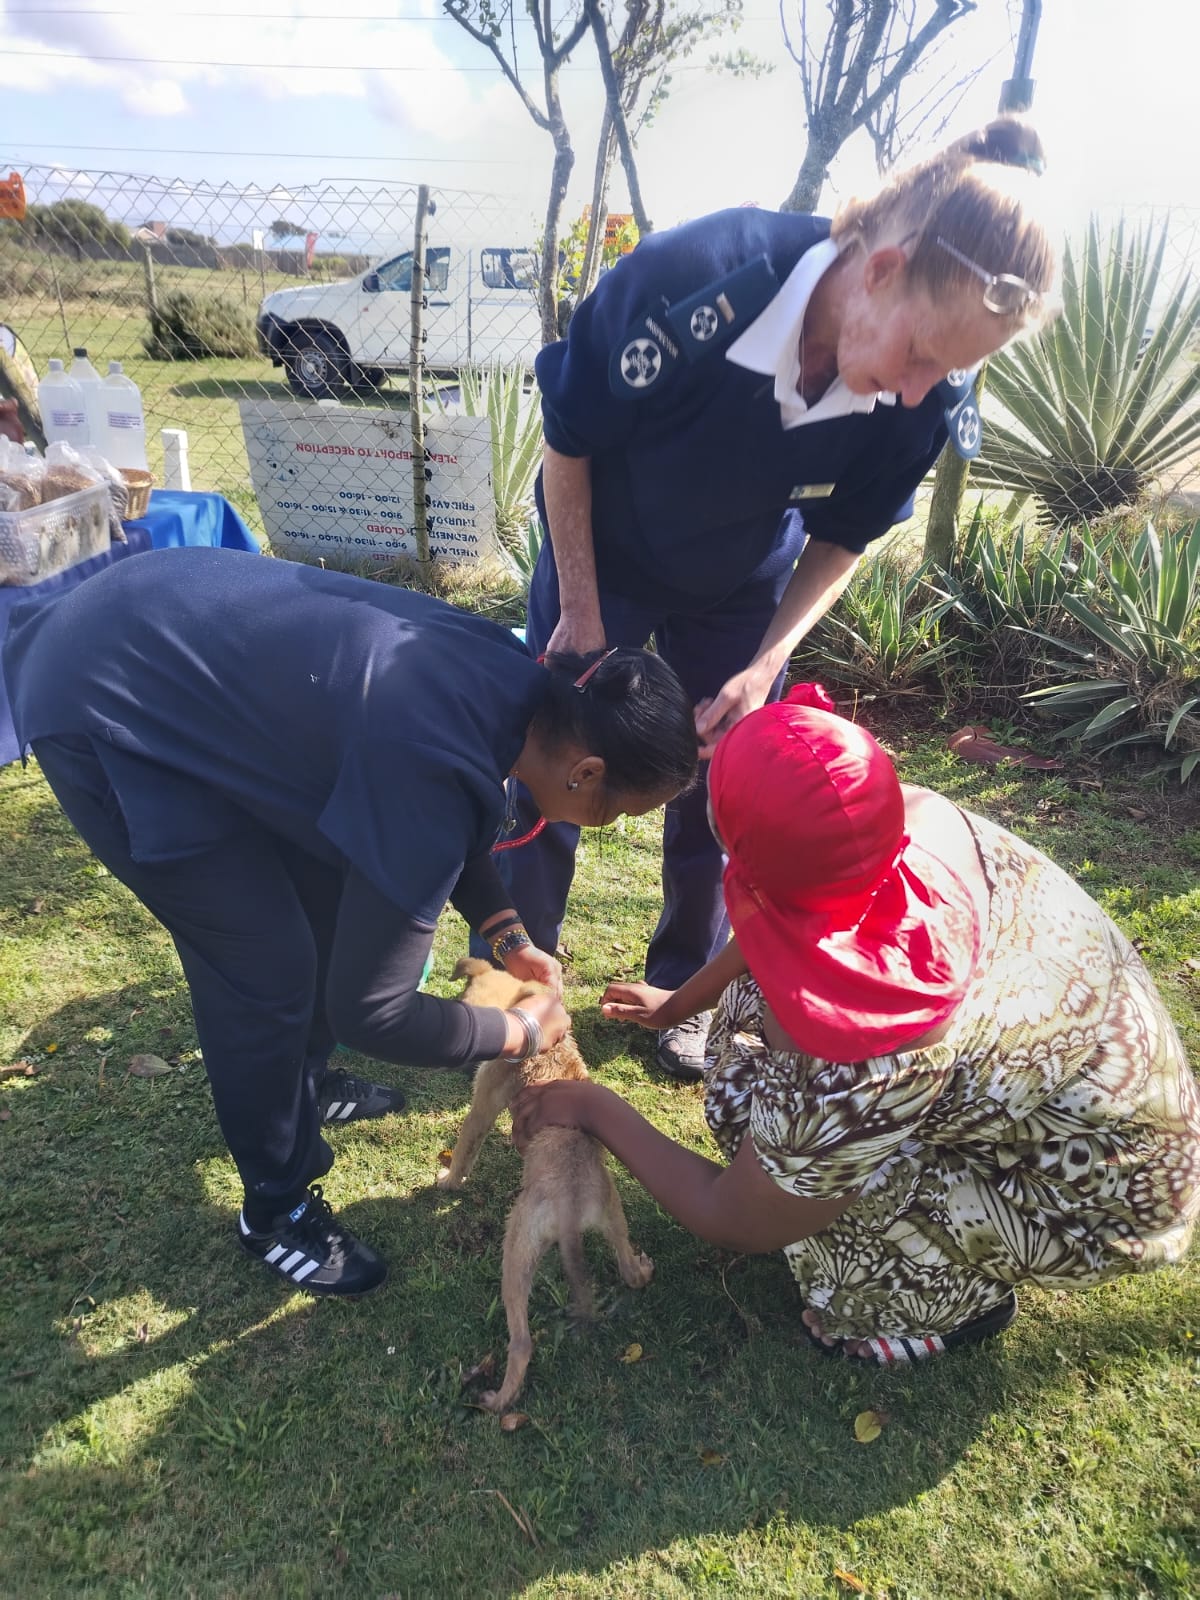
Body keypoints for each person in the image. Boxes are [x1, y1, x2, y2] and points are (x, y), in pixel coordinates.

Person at [490, 114, 1061, 1081]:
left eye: (950, 373)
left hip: (746, 575)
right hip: (609, 551)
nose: (922, 393)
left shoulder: (919, 403)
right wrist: (580, 613)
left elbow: (843, 538)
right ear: (880, 269)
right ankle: (515, 979)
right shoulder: (692, 279)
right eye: (923, 355)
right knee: (552, 747)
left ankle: (681, 994)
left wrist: (764, 663)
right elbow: (568, 442)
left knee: (728, 774)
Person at [1, 547, 698, 1297]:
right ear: (585, 772)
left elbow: (444, 809)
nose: (612, 825)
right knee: (262, 974)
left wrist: (507, 934)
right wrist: (522, 1032)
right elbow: (372, 1012)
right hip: (107, 703)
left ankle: (298, 1086)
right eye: (622, 812)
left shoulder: (519, 688)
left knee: (329, 900)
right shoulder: (433, 761)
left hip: (156, 626)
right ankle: (276, 1209)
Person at [511, 686, 1200, 1364]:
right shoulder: (912, 819)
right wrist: (678, 1002)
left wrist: (597, 1107)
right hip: (1078, 1095)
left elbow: (738, 1218)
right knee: (756, 1088)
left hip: (1101, 1203)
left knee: (815, 1208)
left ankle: (939, 1306)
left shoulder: (866, 1054)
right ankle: (855, 1182)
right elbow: (784, 895)